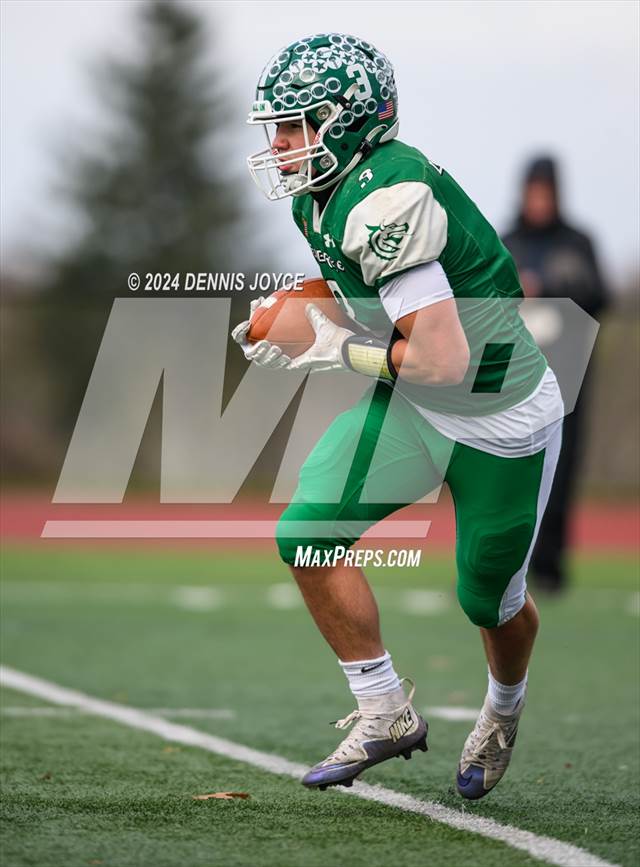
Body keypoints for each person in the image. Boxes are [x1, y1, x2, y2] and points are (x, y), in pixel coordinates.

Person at [233, 33, 564, 799]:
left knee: (491, 600)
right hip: (420, 405)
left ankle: (503, 707)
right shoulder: (330, 192)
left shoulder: (390, 199)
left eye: (294, 125)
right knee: (308, 533)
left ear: (346, 121)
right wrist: (291, 311)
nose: (278, 145)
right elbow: (359, 293)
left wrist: (332, 351)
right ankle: (383, 708)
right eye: (273, 128)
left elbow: (443, 356)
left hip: (498, 418)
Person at [502, 157, 608, 593]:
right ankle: (501, 565)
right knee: (504, 471)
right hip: (514, 376)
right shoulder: (506, 240)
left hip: (567, 373)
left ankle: (549, 567)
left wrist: (548, 287)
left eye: (546, 193)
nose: (539, 201)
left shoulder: (578, 243)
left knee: (559, 470)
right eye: (533, 192)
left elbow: (600, 295)